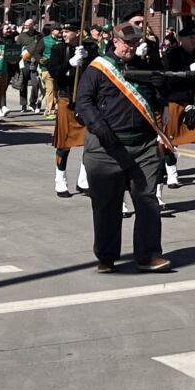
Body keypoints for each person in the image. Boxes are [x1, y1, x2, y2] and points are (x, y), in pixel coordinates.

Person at [73, 24, 174, 272]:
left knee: (148, 200)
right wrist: (100, 128)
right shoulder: (97, 69)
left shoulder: (144, 67)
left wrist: (161, 84)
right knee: (107, 204)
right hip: (106, 148)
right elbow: (83, 102)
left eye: (134, 43)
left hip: (144, 145)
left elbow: (160, 101)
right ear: (115, 41)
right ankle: (106, 257)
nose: (130, 47)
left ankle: (149, 254)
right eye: (125, 42)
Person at [161, 24, 195, 188]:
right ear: (181, 40)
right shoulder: (172, 54)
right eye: (191, 38)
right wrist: (189, 71)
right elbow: (168, 79)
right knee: (171, 140)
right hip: (177, 101)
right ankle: (171, 175)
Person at [47, 28, 93, 197]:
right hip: (66, 98)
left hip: (86, 100)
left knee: (89, 142)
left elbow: (99, 69)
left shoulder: (90, 47)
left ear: (79, 32)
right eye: (63, 31)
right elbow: (53, 72)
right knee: (64, 143)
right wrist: (70, 63)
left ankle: (84, 180)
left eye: (67, 31)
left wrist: (88, 58)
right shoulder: (58, 49)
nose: (63, 34)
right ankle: (60, 181)